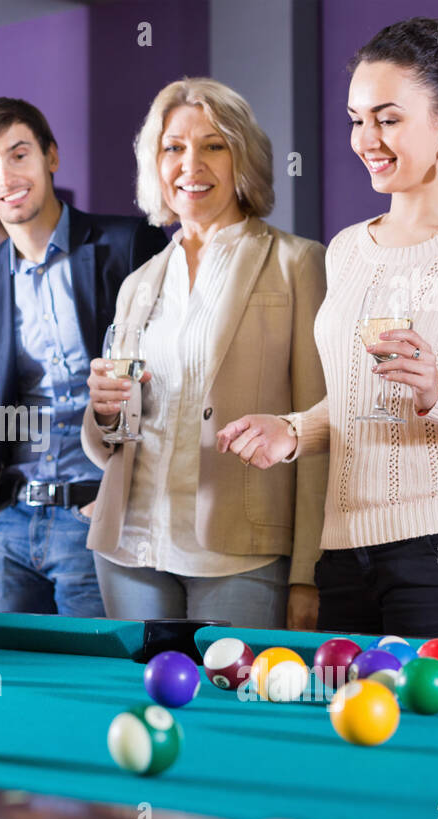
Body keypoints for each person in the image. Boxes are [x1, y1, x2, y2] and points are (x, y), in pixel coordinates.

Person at [217, 18, 438, 643]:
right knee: (354, 739)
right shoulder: (348, 250)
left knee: (437, 742)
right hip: (345, 560)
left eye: (388, 118)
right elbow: (363, 402)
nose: (365, 138)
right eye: (356, 119)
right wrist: (290, 432)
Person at [0, 97, 168, 617]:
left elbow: (172, 386)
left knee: (91, 686)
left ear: (51, 158)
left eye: (19, 155)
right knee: (2, 680)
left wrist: (119, 497)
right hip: (14, 524)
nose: (6, 176)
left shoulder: (128, 245)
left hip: (99, 516)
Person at [81, 78, 327, 630]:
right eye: (174, 147)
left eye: (213, 145)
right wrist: (102, 412)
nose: (191, 164)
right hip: (131, 548)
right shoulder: (139, 282)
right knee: (145, 712)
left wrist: (307, 574)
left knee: (229, 709)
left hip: (242, 555)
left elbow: (318, 432)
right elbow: (111, 443)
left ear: (243, 157)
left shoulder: (298, 265)